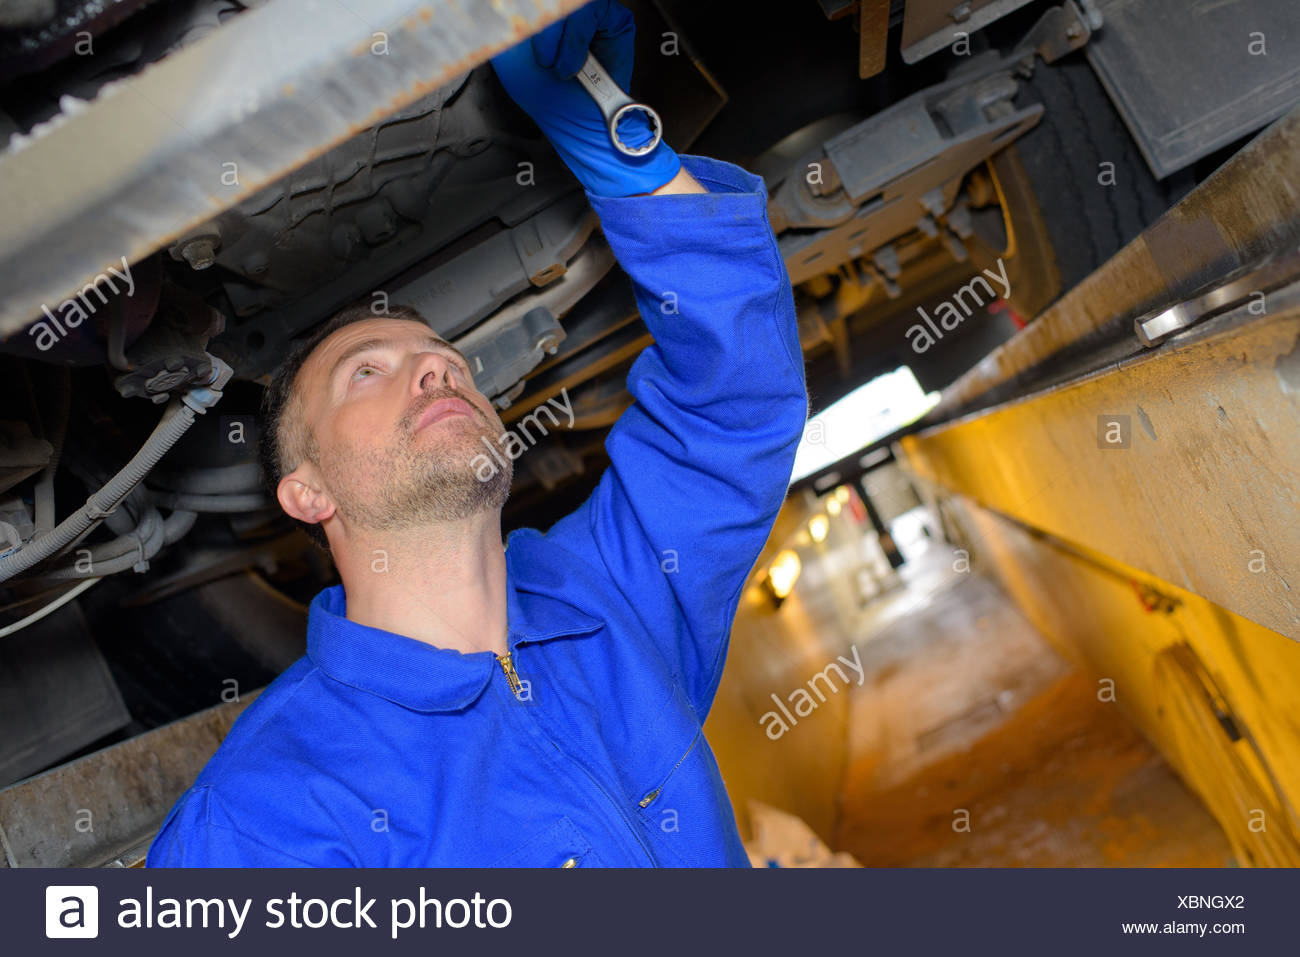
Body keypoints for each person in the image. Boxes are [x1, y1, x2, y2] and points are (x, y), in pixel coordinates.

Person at [146, 0, 807, 867]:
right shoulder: (268, 812)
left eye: (443, 356)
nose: (436, 368)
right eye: (368, 373)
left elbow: (736, 402)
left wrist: (620, 143)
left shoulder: (611, 603)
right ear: (307, 491)